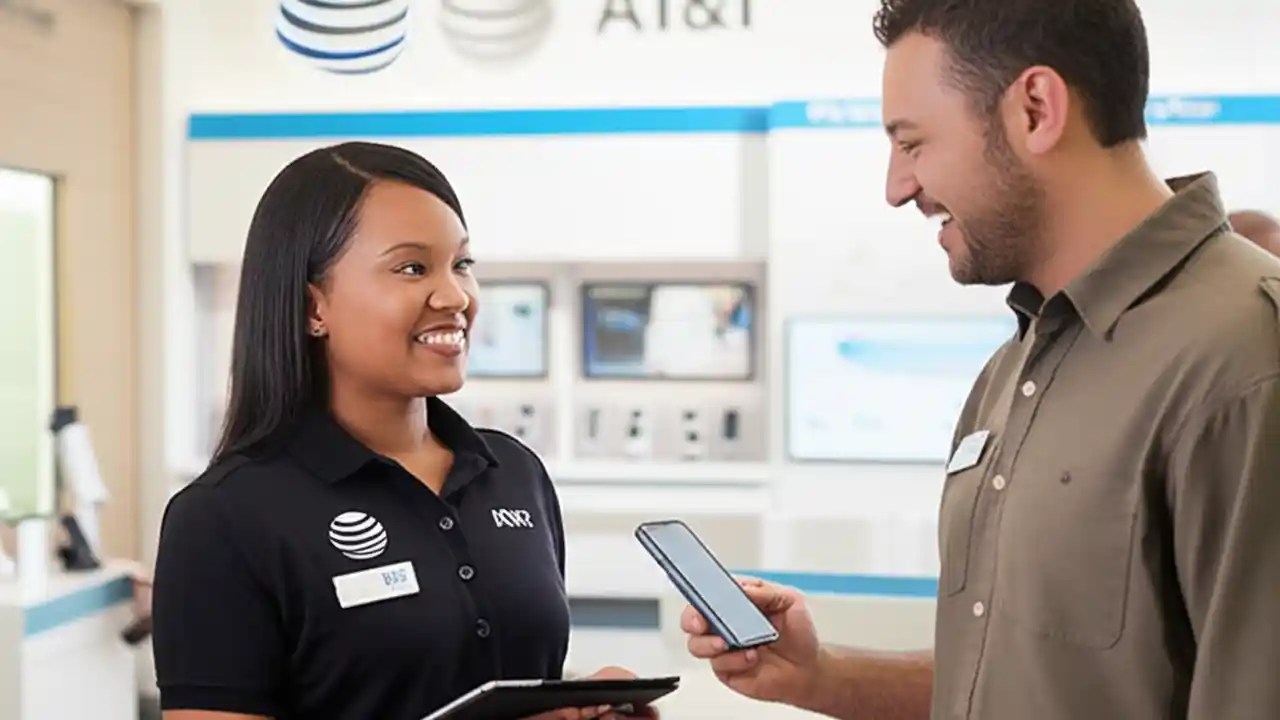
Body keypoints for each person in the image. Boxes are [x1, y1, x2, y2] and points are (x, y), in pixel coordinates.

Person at [683, 1, 1280, 719]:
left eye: (913, 143)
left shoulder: (1245, 358)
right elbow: (1021, 673)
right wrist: (823, 676)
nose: (896, 186)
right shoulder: (1016, 369)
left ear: (1035, 108)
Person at [150, 142, 656, 720]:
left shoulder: (514, 474)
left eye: (461, 264)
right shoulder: (224, 518)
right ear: (313, 306)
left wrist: (579, 707)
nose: (456, 296)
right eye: (412, 267)